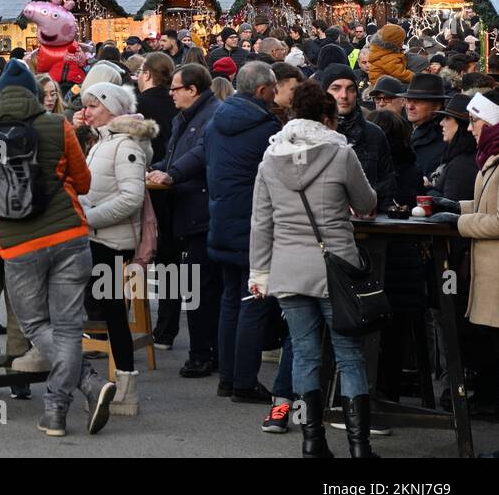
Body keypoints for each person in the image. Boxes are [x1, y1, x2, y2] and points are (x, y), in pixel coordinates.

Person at [0, 59, 111, 437]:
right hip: (68, 234)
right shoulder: (57, 124)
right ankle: (67, 401)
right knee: (67, 326)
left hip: (17, 243)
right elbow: (82, 182)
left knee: (35, 325)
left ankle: (67, 406)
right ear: (33, 93)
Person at [249, 80, 379, 458]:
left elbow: (261, 223)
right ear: (326, 118)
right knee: (349, 356)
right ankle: (359, 447)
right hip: (336, 270)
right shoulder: (341, 155)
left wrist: (259, 274)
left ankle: (312, 443)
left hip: (289, 271)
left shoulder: (270, 159)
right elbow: (366, 201)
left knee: (305, 356)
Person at [78, 81, 158, 416]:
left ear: (112, 107)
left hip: (111, 243)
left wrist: (89, 218)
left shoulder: (125, 145)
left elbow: (131, 197)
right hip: (98, 238)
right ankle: (113, 386)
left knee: (113, 314)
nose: (86, 111)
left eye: (94, 105)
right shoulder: (104, 140)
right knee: (108, 312)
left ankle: (125, 389)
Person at [431, 91, 499, 454]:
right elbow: (487, 205)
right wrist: (455, 206)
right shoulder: (489, 159)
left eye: (474, 121)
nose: (470, 128)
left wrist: (460, 220)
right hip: (490, 274)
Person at [206, 61, 280, 403]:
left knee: (231, 300)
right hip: (254, 224)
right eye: (274, 89)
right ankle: (244, 382)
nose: (278, 95)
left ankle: (228, 377)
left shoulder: (216, 121)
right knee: (253, 301)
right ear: (262, 91)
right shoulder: (265, 127)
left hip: (221, 219)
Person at [147, 63, 222, 378]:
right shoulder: (186, 117)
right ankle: (207, 351)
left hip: (201, 210)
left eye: (176, 88)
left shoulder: (211, 116)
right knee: (200, 286)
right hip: (189, 208)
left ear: (192, 90)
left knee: (201, 288)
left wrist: (171, 173)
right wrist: (153, 167)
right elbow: (176, 154)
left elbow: (201, 155)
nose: (171, 93)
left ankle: (201, 354)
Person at [137, 52, 181, 348]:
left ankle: (120, 320)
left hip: (142, 187)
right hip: (175, 185)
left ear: (148, 74)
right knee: (171, 258)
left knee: (130, 255)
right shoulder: (178, 104)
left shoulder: (138, 105)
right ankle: (167, 328)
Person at [321, 63, 395, 210]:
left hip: (367, 220)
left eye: (350, 89)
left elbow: (387, 184)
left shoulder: (374, 134)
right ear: (324, 92)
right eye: (336, 88)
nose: (344, 95)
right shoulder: (310, 133)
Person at [432, 94, 479, 202]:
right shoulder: (462, 158)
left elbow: (450, 207)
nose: (441, 123)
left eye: (447, 118)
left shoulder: (462, 165)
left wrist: (430, 192)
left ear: (461, 126)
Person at [403, 72, 448, 181]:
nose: (410, 106)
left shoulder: (446, 137)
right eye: (408, 100)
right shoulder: (401, 129)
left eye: (417, 102)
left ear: (437, 106)